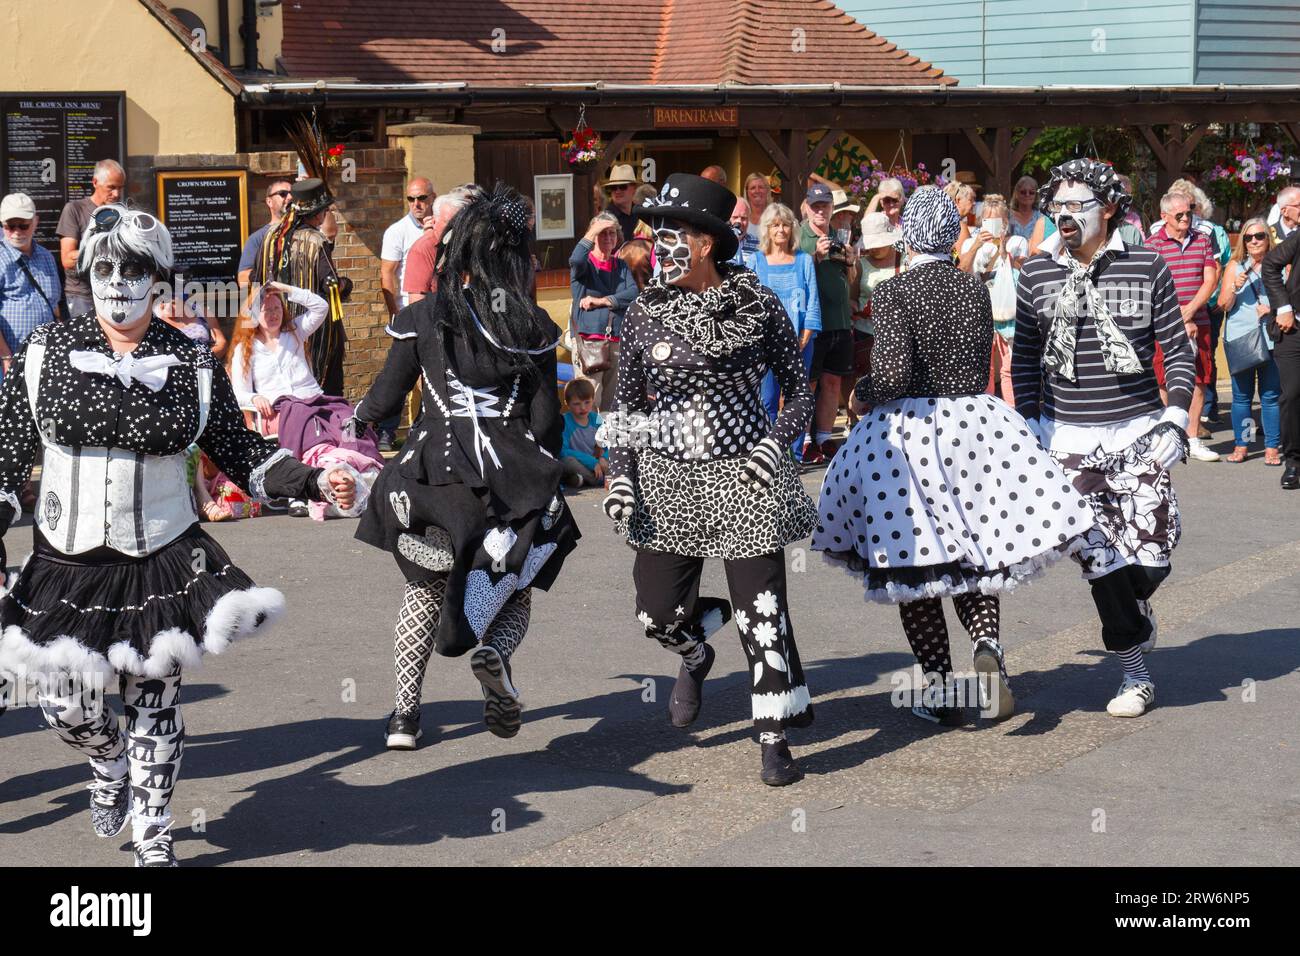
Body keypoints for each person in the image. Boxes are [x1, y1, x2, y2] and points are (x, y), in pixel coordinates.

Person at [0, 205, 357, 866]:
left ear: (157, 279)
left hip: (160, 559)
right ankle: (106, 763)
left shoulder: (190, 362)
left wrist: (315, 480)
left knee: (154, 702)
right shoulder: (44, 353)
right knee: (62, 707)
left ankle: (154, 830)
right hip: (65, 565)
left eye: (133, 269)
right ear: (88, 273)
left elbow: (242, 451)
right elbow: (4, 452)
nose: (116, 281)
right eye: (104, 267)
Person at [813, 186, 1091, 724]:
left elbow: (892, 376)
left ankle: (941, 689)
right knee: (972, 556)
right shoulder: (973, 288)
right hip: (975, 425)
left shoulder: (897, 292)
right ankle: (989, 649)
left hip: (913, 433)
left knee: (917, 561)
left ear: (910, 235)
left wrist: (862, 391)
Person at [600, 173, 816, 786]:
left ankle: (773, 739)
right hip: (668, 481)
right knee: (657, 613)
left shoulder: (759, 305)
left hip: (745, 476)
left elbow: (798, 391)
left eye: (667, 234)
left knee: (763, 611)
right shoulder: (644, 312)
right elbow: (627, 408)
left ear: (703, 244)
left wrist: (777, 443)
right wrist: (621, 476)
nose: (654, 245)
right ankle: (696, 653)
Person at [349, 183, 580, 748]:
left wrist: (355, 418)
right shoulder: (532, 326)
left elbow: (382, 402)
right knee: (512, 589)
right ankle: (495, 654)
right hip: (512, 480)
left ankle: (405, 717)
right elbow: (547, 423)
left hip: (435, 474)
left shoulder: (424, 316)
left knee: (425, 592)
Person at [1013, 158, 1197, 719]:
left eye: (1077, 206)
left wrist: (1175, 417)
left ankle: (1136, 604)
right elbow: (1024, 360)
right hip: (1069, 436)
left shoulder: (1147, 265)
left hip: (1141, 430)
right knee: (1098, 558)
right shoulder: (1036, 274)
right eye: (1057, 207)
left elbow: (1179, 349)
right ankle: (1135, 674)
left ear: (1109, 207)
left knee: (1150, 560)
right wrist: (1031, 422)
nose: (1064, 217)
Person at [251, 178, 351, 397]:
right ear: (317, 214)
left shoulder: (271, 236)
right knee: (323, 390)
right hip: (313, 330)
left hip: (277, 326)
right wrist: (346, 284)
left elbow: (255, 278)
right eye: (324, 211)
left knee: (286, 386)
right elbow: (331, 285)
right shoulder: (316, 240)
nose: (325, 216)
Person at [1146, 190, 1221, 462]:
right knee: (1163, 377)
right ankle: (1170, 435)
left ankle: (1192, 437)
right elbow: (1150, 287)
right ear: (1164, 216)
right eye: (1179, 214)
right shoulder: (1152, 244)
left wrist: (1189, 312)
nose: (1186, 217)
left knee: (1200, 378)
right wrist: (1179, 317)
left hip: (1198, 321)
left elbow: (1210, 280)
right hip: (1164, 323)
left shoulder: (1202, 241)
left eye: (1189, 212)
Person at [747, 201, 821, 453]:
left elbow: (812, 301)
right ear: (766, 229)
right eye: (775, 225)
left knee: (797, 399)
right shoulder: (755, 261)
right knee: (766, 399)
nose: (781, 230)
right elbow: (749, 304)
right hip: (765, 345)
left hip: (801, 342)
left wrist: (806, 335)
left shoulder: (804, 260)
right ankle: (768, 452)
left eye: (786, 225)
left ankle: (795, 455)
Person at [799, 182, 858, 464]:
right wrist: (816, 257)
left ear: (832, 208)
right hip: (813, 321)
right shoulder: (799, 234)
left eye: (825, 205)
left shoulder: (839, 234)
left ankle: (823, 437)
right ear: (808, 207)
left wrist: (851, 262)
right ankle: (805, 439)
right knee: (808, 383)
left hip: (839, 319)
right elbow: (791, 271)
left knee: (833, 381)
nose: (820, 210)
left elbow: (851, 281)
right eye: (816, 205)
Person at [1218, 219, 1281, 465]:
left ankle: (1271, 448)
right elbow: (1223, 305)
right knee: (1242, 397)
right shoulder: (1235, 266)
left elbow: (1292, 301)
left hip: (1272, 337)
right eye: (1248, 237)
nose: (1254, 241)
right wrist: (1234, 286)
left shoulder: (1279, 266)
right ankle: (1242, 444)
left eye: (1259, 236)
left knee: (1270, 396)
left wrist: (1273, 308)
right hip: (1240, 338)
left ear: (1268, 238)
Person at [958, 194, 1029, 404]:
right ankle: (988, 411)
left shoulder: (1017, 242)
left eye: (997, 220)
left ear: (1005, 221)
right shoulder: (970, 243)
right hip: (979, 308)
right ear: (981, 221)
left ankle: (1014, 412)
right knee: (984, 364)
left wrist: (1004, 249)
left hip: (1008, 308)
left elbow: (1025, 273)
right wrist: (976, 245)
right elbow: (961, 271)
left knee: (1009, 365)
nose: (992, 225)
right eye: (987, 220)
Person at [569, 212, 638, 411]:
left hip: (616, 340)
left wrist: (601, 301)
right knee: (588, 401)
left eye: (612, 233)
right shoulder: (584, 265)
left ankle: (606, 442)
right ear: (593, 235)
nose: (608, 237)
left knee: (611, 402)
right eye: (602, 233)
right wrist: (593, 230)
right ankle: (588, 442)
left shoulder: (621, 265)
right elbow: (576, 259)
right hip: (589, 342)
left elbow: (633, 293)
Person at [0, 193, 63, 380]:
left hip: (45, 355)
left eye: (23, 225)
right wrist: (5, 356)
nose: (17, 232)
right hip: (11, 358)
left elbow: (54, 304)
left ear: (35, 222)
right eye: (10, 226)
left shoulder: (46, 257)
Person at [1260, 205, 1300, 490]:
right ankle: (1294, 462)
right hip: (1293, 327)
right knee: (1293, 395)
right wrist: (1283, 307)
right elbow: (1270, 264)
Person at [57, 159, 125, 316]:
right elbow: (67, 259)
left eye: (120, 188)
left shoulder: (122, 213)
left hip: (113, 290)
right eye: (111, 187)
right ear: (95, 182)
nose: (117, 194)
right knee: (85, 341)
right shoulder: (75, 209)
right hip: (82, 295)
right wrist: (104, 247)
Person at [851, 210, 903, 414]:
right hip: (865, 334)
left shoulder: (904, 262)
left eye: (878, 243)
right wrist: (856, 309)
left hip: (896, 336)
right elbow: (851, 299)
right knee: (864, 384)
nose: (873, 249)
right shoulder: (860, 264)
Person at [403, 187, 477, 304]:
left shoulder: (473, 244)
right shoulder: (422, 250)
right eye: (450, 222)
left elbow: (497, 288)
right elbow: (417, 305)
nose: (456, 228)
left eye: (461, 222)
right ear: (434, 221)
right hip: (439, 318)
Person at [236, 178, 294, 289]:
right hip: (276, 301)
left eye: (293, 194)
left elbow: (330, 232)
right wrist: (267, 270)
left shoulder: (303, 231)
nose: (290, 197)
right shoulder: (258, 238)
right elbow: (242, 279)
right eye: (283, 194)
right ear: (269, 202)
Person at [559, 378, 607, 488]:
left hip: (597, 464)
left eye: (587, 402)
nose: (583, 407)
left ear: (593, 400)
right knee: (567, 462)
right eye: (576, 404)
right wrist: (592, 462)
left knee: (615, 455)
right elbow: (563, 451)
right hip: (582, 464)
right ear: (567, 403)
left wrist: (604, 458)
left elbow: (609, 444)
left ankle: (579, 480)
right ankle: (596, 480)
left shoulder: (597, 419)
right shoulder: (564, 421)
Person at [154, 291, 226, 358]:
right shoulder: (156, 321)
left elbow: (221, 343)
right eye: (163, 303)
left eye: (173, 303)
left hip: (207, 361)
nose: (169, 307)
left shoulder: (202, 313)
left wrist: (205, 357)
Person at [603, 164, 648, 243]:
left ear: (634, 188)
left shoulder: (642, 214)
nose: (617, 191)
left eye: (622, 186)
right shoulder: (606, 218)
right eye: (613, 187)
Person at [744, 172, 772, 249]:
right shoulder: (741, 217)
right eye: (753, 188)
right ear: (747, 192)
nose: (757, 191)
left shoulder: (774, 216)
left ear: (767, 190)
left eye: (761, 187)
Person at [730, 198, 759, 262]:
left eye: (743, 218)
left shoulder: (758, 245)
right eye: (735, 217)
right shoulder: (718, 243)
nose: (739, 222)